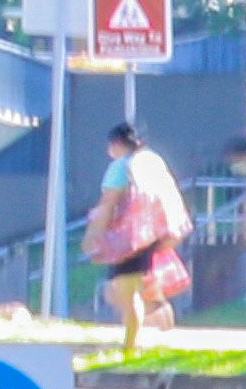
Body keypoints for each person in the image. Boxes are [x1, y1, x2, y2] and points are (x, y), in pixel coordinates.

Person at [82, 119, 193, 355]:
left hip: (128, 239)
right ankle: (152, 321)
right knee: (122, 289)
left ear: (115, 144)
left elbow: (108, 203)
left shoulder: (120, 167)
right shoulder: (153, 163)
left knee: (123, 290)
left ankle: (131, 345)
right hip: (152, 235)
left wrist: (92, 235)